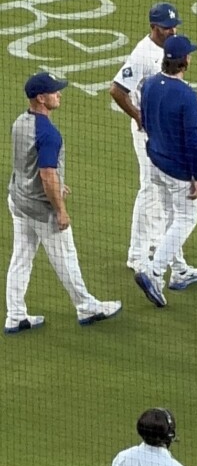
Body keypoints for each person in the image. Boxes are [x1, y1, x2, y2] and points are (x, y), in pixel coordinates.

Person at [5, 73, 122, 333]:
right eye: (54, 91)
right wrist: (60, 210)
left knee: (21, 257)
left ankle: (15, 314)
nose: (59, 94)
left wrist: (57, 183)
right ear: (41, 98)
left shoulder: (20, 121)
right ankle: (86, 306)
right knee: (66, 258)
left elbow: (28, 164)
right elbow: (46, 174)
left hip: (18, 199)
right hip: (40, 209)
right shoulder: (49, 133)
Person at [110, 2, 195, 279]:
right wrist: (137, 116)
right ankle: (137, 254)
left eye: (174, 25)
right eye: (166, 27)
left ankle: (159, 246)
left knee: (161, 194)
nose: (172, 30)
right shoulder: (143, 54)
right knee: (150, 190)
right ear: (152, 27)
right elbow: (117, 89)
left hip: (160, 132)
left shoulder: (168, 50)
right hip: (147, 133)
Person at [133, 36, 197, 309]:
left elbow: (144, 119)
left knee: (170, 217)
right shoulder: (187, 95)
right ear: (184, 61)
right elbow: (193, 140)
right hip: (177, 170)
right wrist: (196, 176)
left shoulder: (149, 83)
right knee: (186, 219)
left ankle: (180, 271)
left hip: (154, 161)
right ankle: (154, 271)